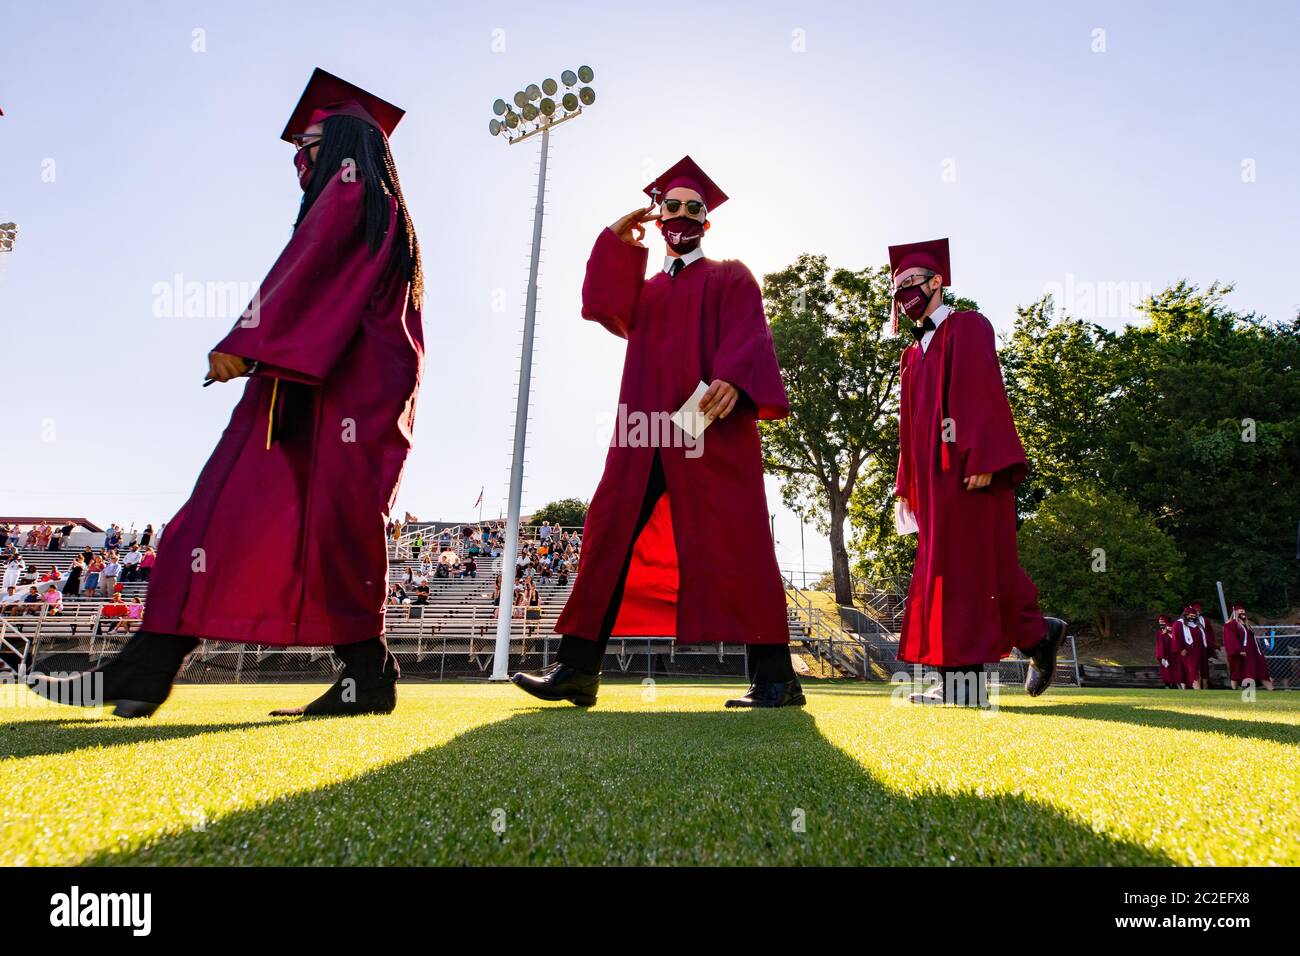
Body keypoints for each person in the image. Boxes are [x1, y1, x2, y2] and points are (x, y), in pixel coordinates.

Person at [29, 68, 424, 719]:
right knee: (330, 538)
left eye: (314, 145)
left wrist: (253, 338)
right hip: (342, 395)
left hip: (316, 396)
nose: (303, 160)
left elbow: (314, 266)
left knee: (215, 520)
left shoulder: (353, 201)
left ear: (348, 145)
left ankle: (147, 668)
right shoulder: (389, 220)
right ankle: (363, 677)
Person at [512, 156, 800, 709]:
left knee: (743, 545)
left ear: (707, 222)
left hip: (708, 428)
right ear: (659, 214)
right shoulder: (644, 293)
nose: (684, 214)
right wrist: (617, 240)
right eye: (673, 206)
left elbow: (749, 333)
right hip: (642, 433)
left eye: (695, 208)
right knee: (607, 534)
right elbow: (599, 304)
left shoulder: (731, 274)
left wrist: (734, 380)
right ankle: (576, 669)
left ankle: (777, 679)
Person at [889, 238, 1066, 706]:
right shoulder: (911, 356)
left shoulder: (966, 326)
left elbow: (981, 389)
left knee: (961, 574)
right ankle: (1037, 635)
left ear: (937, 282)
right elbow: (909, 427)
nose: (907, 291)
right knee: (982, 572)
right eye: (898, 286)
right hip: (932, 484)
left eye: (913, 282)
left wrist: (984, 457)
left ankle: (961, 687)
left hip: (968, 470)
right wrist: (906, 486)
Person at [1222, 602, 1273, 690]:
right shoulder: (1230, 625)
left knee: (1260, 670)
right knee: (1237, 672)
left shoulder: (1247, 625)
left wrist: (1258, 651)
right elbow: (1231, 639)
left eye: (1243, 611)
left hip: (1252, 652)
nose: (1242, 613)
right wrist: (1239, 650)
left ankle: (1272, 689)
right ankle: (1234, 690)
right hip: (1240, 652)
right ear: (1235, 613)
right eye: (1240, 611)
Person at [1170, 606, 1206, 690]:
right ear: (1185, 615)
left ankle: (1199, 689)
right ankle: (1198, 689)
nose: (1192, 617)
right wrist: (1180, 649)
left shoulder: (1196, 624)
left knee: (1199, 671)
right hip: (1188, 652)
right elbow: (1176, 638)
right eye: (1190, 615)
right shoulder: (1178, 624)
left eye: (1194, 616)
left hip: (1198, 651)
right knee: (1193, 670)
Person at [1191, 602, 1218, 688]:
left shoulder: (1204, 621)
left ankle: (1205, 686)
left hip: (1203, 647)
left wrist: (1212, 644)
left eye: (1199, 611)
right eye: (1196, 611)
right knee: (1194, 667)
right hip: (1192, 647)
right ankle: (1196, 685)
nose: (1197, 612)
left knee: (1204, 667)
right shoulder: (1185, 622)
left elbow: (1209, 634)